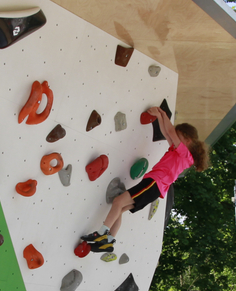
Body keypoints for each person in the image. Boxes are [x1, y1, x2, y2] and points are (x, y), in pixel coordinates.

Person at [80, 106, 209, 253]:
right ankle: (108, 242)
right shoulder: (177, 151)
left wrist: (164, 113)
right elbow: (167, 132)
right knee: (120, 208)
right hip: (154, 187)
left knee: (118, 202)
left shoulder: (185, 154)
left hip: (154, 184)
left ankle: (102, 234)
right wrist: (159, 116)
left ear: (187, 140)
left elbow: (171, 132)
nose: (174, 139)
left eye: (178, 137)